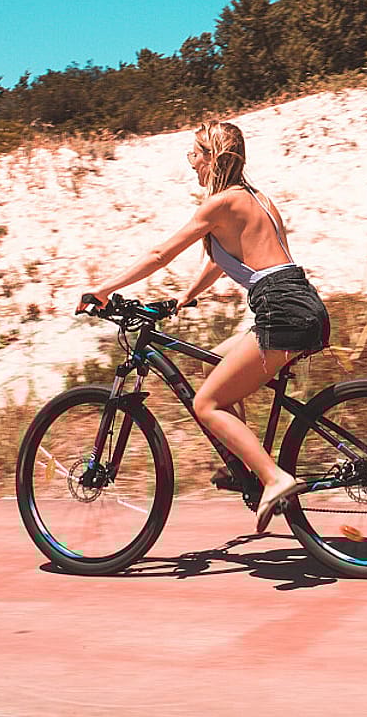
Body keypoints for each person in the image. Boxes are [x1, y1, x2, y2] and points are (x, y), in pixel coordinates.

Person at [77, 120, 331, 532]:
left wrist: (103, 289)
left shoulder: (219, 204)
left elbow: (161, 253)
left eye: (195, 154)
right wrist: (183, 298)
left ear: (214, 158)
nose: (191, 163)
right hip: (299, 303)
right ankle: (244, 465)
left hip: (281, 311)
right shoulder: (258, 199)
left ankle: (274, 478)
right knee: (214, 364)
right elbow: (220, 260)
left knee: (206, 404)